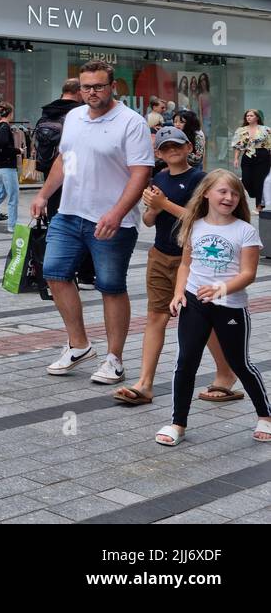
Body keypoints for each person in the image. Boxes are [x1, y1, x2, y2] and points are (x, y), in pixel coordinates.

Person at [31, 60, 153, 382]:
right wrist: (43, 194)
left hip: (113, 221)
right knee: (54, 274)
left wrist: (116, 212)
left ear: (112, 86)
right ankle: (79, 344)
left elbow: (141, 172)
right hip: (69, 213)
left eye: (99, 86)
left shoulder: (131, 122)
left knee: (111, 287)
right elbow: (63, 159)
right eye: (86, 86)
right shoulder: (73, 117)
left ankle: (115, 358)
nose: (92, 92)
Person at [115, 128, 238, 406]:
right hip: (160, 256)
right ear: (158, 153)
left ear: (188, 148)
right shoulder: (158, 179)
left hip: (194, 259)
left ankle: (225, 373)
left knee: (202, 320)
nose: (172, 150)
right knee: (156, 316)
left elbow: (204, 221)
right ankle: (145, 384)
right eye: (166, 147)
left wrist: (163, 203)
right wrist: (154, 208)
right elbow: (148, 220)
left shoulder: (202, 179)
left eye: (177, 145)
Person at [155, 169, 271, 446]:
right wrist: (178, 292)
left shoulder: (245, 231)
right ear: (206, 193)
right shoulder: (194, 226)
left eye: (234, 193)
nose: (229, 197)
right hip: (195, 303)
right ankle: (177, 423)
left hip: (230, 307)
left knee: (240, 363)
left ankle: (265, 416)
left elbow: (248, 273)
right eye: (222, 191)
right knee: (185, 363)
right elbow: (186, 264)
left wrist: (222, 289)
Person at [32, 79, 83, 218]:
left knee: (53, 203)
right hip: (71, 165)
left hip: (48, 162)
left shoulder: (48, 110)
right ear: (78, 92)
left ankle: (53, 226)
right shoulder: (79, 111)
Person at [231, 109, 271, 212]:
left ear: (257, 117)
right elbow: (238, 146)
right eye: (247, 116)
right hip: (248, 155)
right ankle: (253, 193)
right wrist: (235, 158)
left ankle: (259, 207)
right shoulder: (241, 130)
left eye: (251, 116)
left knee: (260, 181)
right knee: (246, 180)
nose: (248, 117)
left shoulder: (266, 129)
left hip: (263, 156)